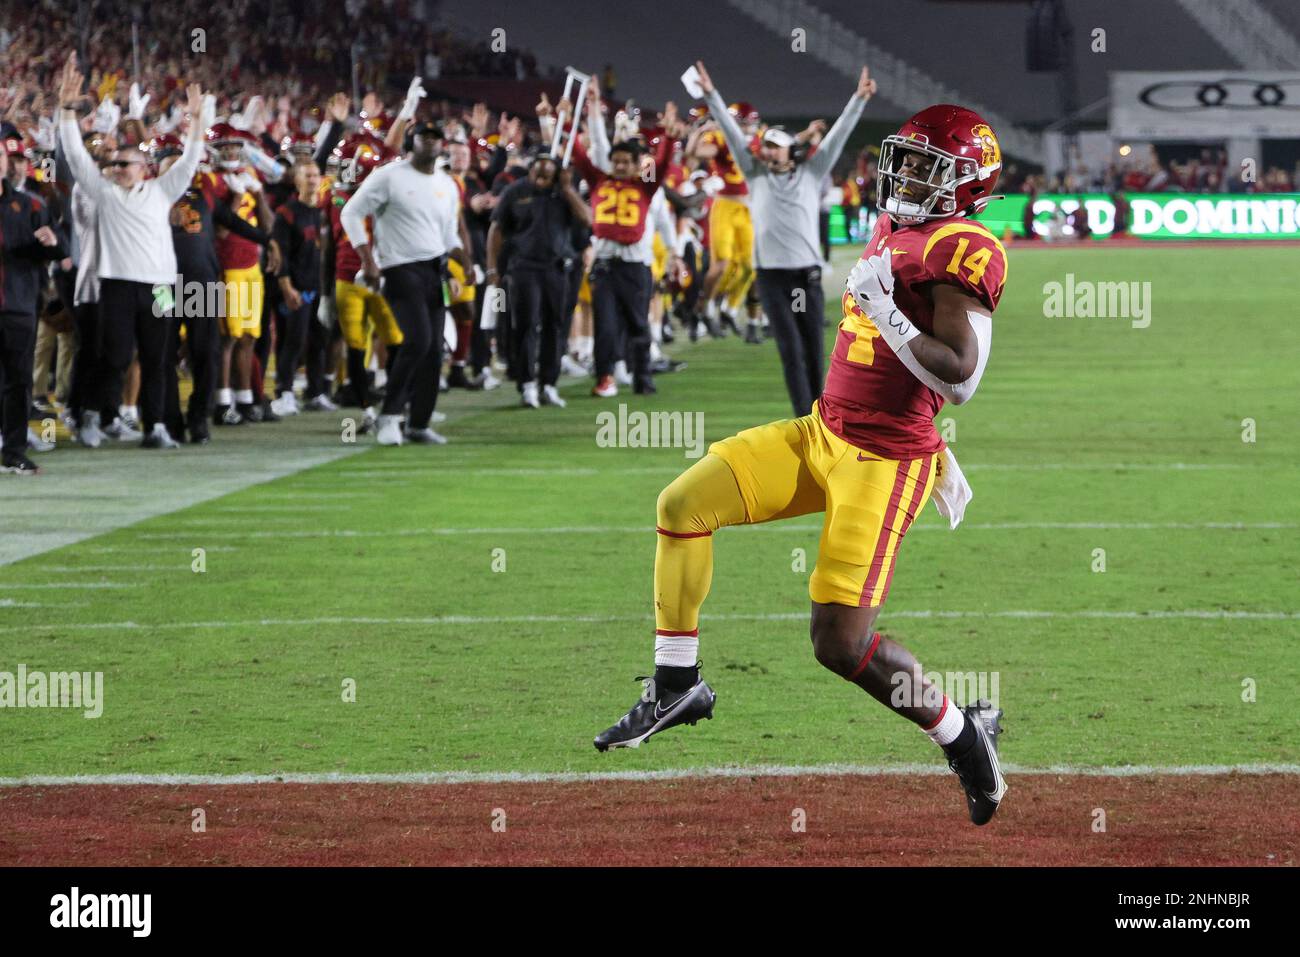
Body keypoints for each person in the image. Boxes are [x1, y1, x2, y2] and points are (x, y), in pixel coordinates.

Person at [592, 99, 1012, 828]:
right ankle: (676, 683)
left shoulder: (964, 247)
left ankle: (963, 734)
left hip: (882, 460)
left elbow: (960, 377)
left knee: (840, 642)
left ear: (967, 181)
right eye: (905, 161)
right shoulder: (901, 225)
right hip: (824, 431)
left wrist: (889, 318)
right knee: (682, 506)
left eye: (925, 167)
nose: (906, 176)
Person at [696, 60, 874, 417]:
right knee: (790, 350)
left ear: (791, 149)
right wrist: (711, 95)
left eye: (777, 146)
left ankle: (822, 417)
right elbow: (732, 134)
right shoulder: (754, 174)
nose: (770, 150)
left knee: (813, 349)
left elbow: (838, 137)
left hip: (805, 277)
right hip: (773, 279)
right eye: (768, 146)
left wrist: (858, 100)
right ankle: (804, 419)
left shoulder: (812, 171)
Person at [56, 54, 211, 450]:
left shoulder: (162, 192)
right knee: (115, 355)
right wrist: (66, 113)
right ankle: (92, 415)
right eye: (116, 163)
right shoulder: (104, 193)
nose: (120, 167)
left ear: (145, 168)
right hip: (118, 285)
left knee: (159, 358)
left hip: (159, 286)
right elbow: (76, 157)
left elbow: (191, 160)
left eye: (128, 163)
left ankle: (155, 425)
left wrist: (197, 123)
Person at [341, 118, 467, 446]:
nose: (431, 143)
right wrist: (368, 259)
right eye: (424, 137)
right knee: (418, 341)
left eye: (436, 138)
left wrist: (464, 262)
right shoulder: (389, 176)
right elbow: (350, 212)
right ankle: (390, 416)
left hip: (434, 269)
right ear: (412, 141)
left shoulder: (447, 184)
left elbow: (448, 233)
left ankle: (418, 422)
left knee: (434, 349)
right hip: (399, 268)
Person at [486, 152, 590, 408]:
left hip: (557, 267)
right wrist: (492, 268)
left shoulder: (563, 192)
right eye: (538, 170)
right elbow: (497, 229)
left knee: (556, 325)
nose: (542, 176)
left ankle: (549, 383)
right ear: (530, 168)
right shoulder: (515, 191)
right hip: (523, 267)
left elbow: (587, 219)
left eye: (548, 171)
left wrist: (566, 189)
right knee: (526, 325)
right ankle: (527, 384)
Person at [0, 133, 65, 474]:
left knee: (18, 380)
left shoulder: (30, 204)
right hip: (17, 301)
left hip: (18, 304)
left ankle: (13, 450)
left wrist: (52, 243)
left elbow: (59, 247)